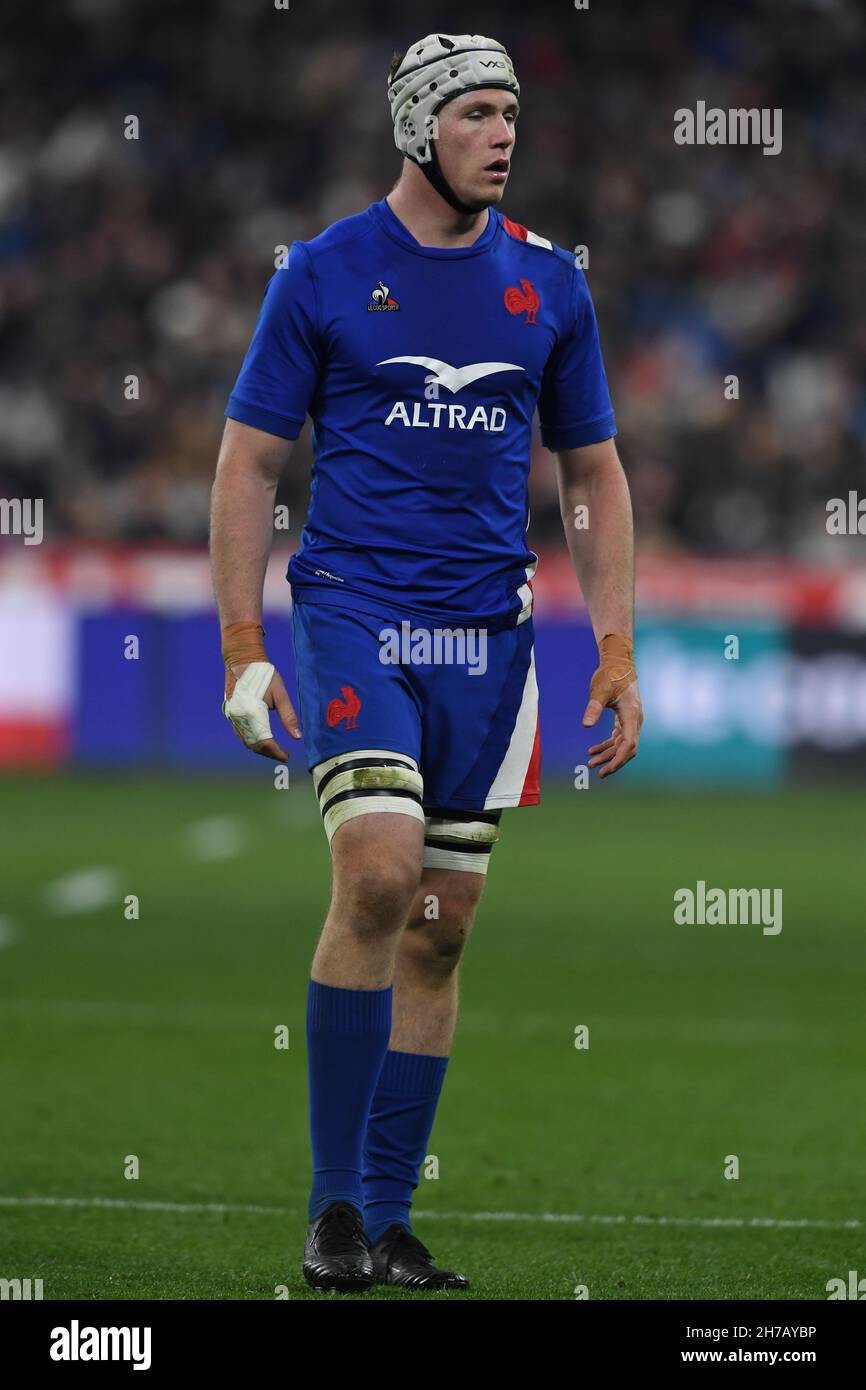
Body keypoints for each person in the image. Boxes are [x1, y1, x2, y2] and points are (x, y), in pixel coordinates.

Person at [210, 30, 643, 1293]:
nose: (503, 133)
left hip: (486, 638)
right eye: (475, 112)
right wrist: (244, 641)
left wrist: (614, 649)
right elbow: (248, 460)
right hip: (355, 610)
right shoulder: (325, 271)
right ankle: (332, 1209)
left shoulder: (552, 284)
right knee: (380, 869)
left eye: (511, 112)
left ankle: (388, 1225)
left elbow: (595, 476)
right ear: (416, 127)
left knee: (441, 933)